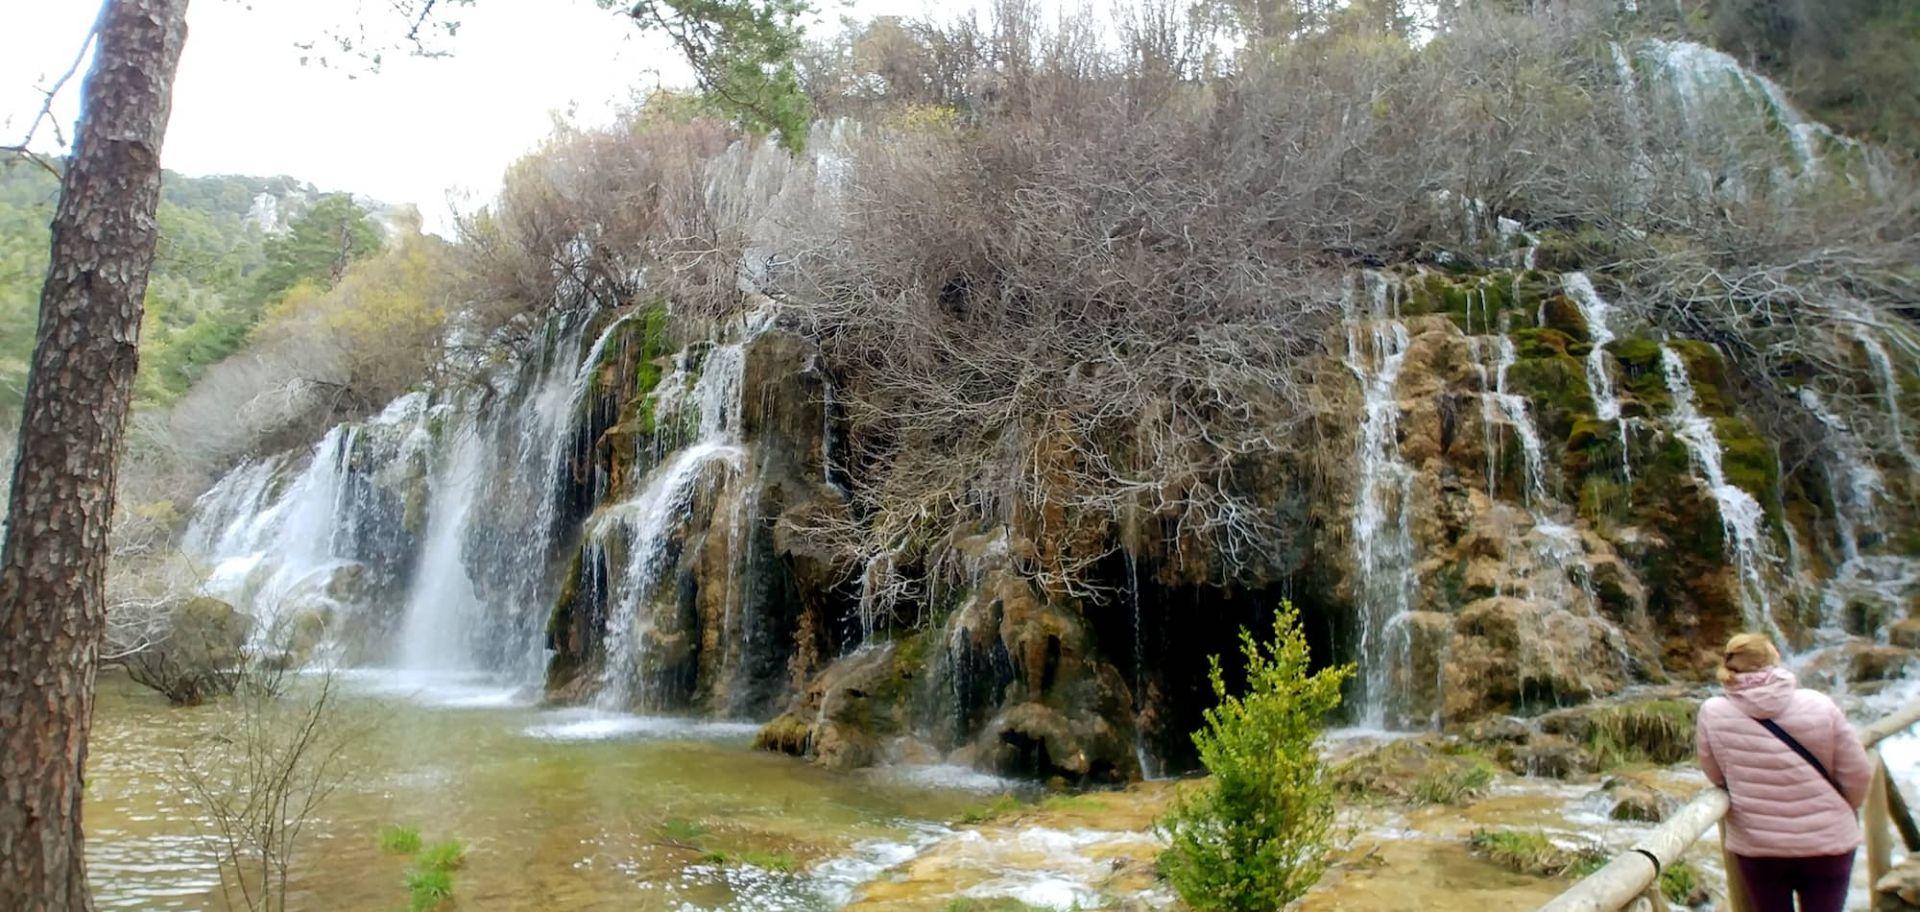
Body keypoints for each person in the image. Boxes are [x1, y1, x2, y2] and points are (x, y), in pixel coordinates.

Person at [1696, 633, 1872, 912]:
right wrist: (1840, 809)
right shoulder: (1818, 704)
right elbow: (1858, 772)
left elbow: (1715, 773)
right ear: (1773, 661)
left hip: (1760, 845)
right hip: (1828, 841)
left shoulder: (1712, 712)